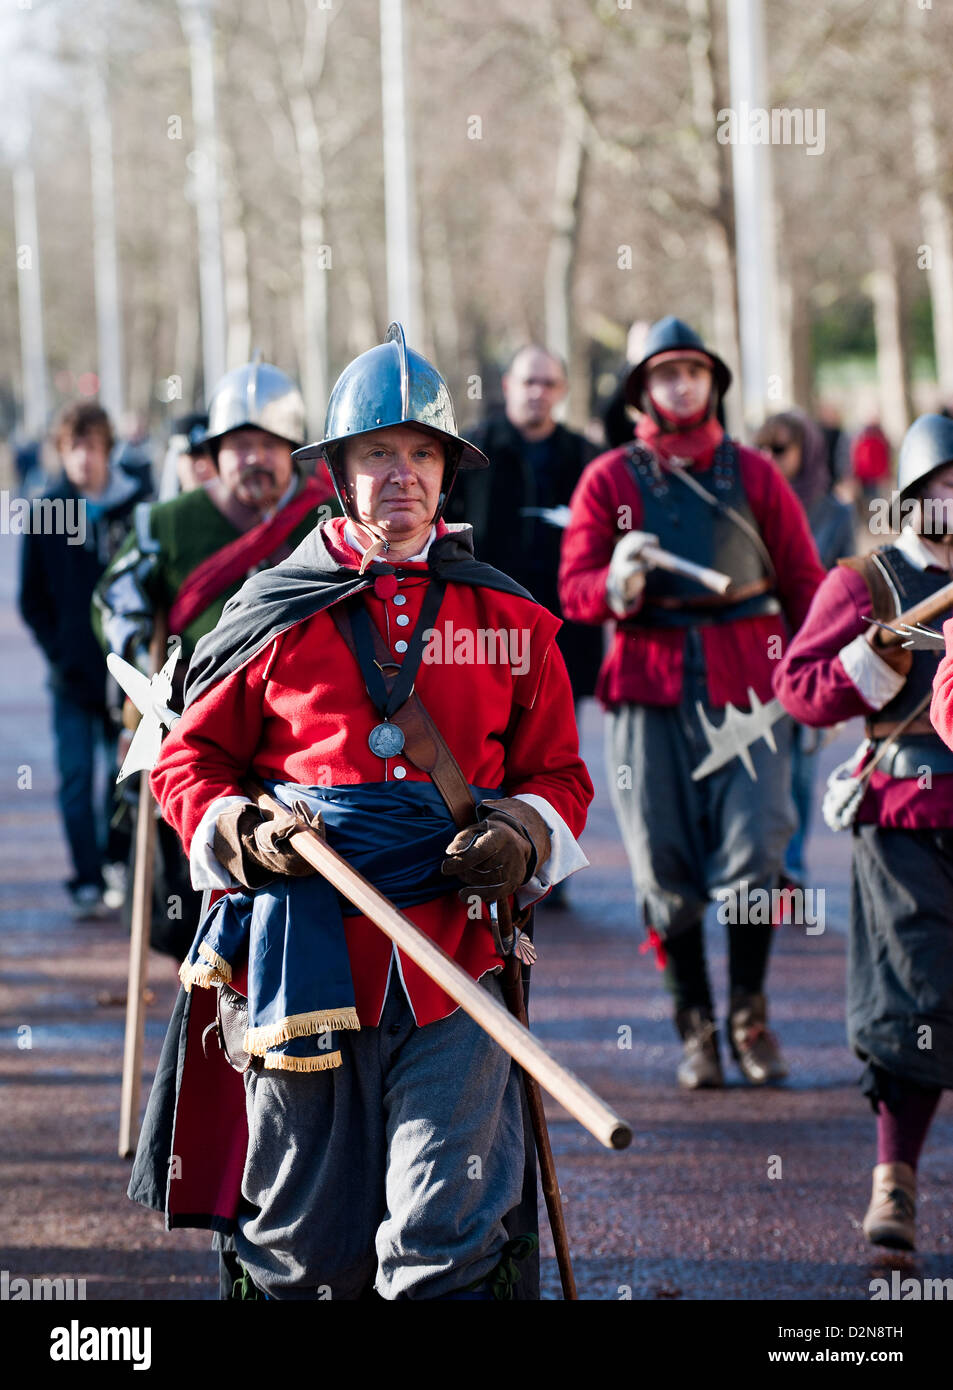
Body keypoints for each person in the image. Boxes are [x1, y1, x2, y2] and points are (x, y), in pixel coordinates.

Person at [128, 324, 593, 1300]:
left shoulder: (510, 619)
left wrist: (518, 833)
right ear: (338, 471)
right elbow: (187, 762)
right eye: (378, 453)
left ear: (446, 472)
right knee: (303, 1241)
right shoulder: (271, 610)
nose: (401, 475)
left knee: (445, 1223)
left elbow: (559, 772)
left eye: (420, 453)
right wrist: (239, 830)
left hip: (457, 947)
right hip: (301, 947)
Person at [559, 316, 824, 1089]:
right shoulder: (607, 478)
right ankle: (695, 1029)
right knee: (662, 866)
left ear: (712, 382)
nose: (681, 384)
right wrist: (615, 583)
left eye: (693, 371)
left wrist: (808, 671)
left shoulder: (755, 474)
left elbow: (804, 581)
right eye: (665, 372)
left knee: (757, 855)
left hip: (751, 686)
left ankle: (749, 1016)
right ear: (643, 387)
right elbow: (574, 587)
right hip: (649, 686)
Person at [777, 413, 953, 1252]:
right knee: (908, 1003)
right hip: (902, 819)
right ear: (913, 497)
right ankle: (896, 1181)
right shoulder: (865, 582)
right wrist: (862, 668)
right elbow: (799, 688)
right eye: (940, 488)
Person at [92, 359, 334, 958]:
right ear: (217, 452)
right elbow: (116, 599)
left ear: (292, 451)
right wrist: (144, 685)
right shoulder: (166, 524)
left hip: (301, 738)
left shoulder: (328, 521)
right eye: (240, 445)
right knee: (191, 898)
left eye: (269, 446)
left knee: (295, 892)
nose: (254, 459)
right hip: (196, 734)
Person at [18, 401, 150, 917]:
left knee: (125, 774)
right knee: (75, 777)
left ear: (107, 451)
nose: (84, 459)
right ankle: (86, 879)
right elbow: (32, 599)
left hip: (128, 677)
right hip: (70, 679)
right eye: (74, 448)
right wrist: (59, 651)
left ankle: (117, 861)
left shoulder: (136, 507)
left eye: (92, 448)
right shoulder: (47, 511)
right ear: (61, 452)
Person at [447, 344, 603, 705]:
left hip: (564, 629)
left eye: (549, 384)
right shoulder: (471, 453)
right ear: (508, 386)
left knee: (554, 743)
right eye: (530, 381)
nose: (539, 392)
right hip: (486, 624)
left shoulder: (585, 457)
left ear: (562, 390)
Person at [755, 410, 855, 885]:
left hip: (810, 652)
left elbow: (847, 589)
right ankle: (760, 860)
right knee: (757, 767)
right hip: (756, 651)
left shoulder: (834, 512)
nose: (770, 459)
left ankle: (790, 865)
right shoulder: (750, 503)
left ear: (807, 451)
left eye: (781, 449)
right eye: (764, 448)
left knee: (799, 769)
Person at [156, 411, 213, 500]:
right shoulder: (164, 513)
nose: (202, 466)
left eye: (208, 458)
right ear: (175, 462)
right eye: (194, 459)